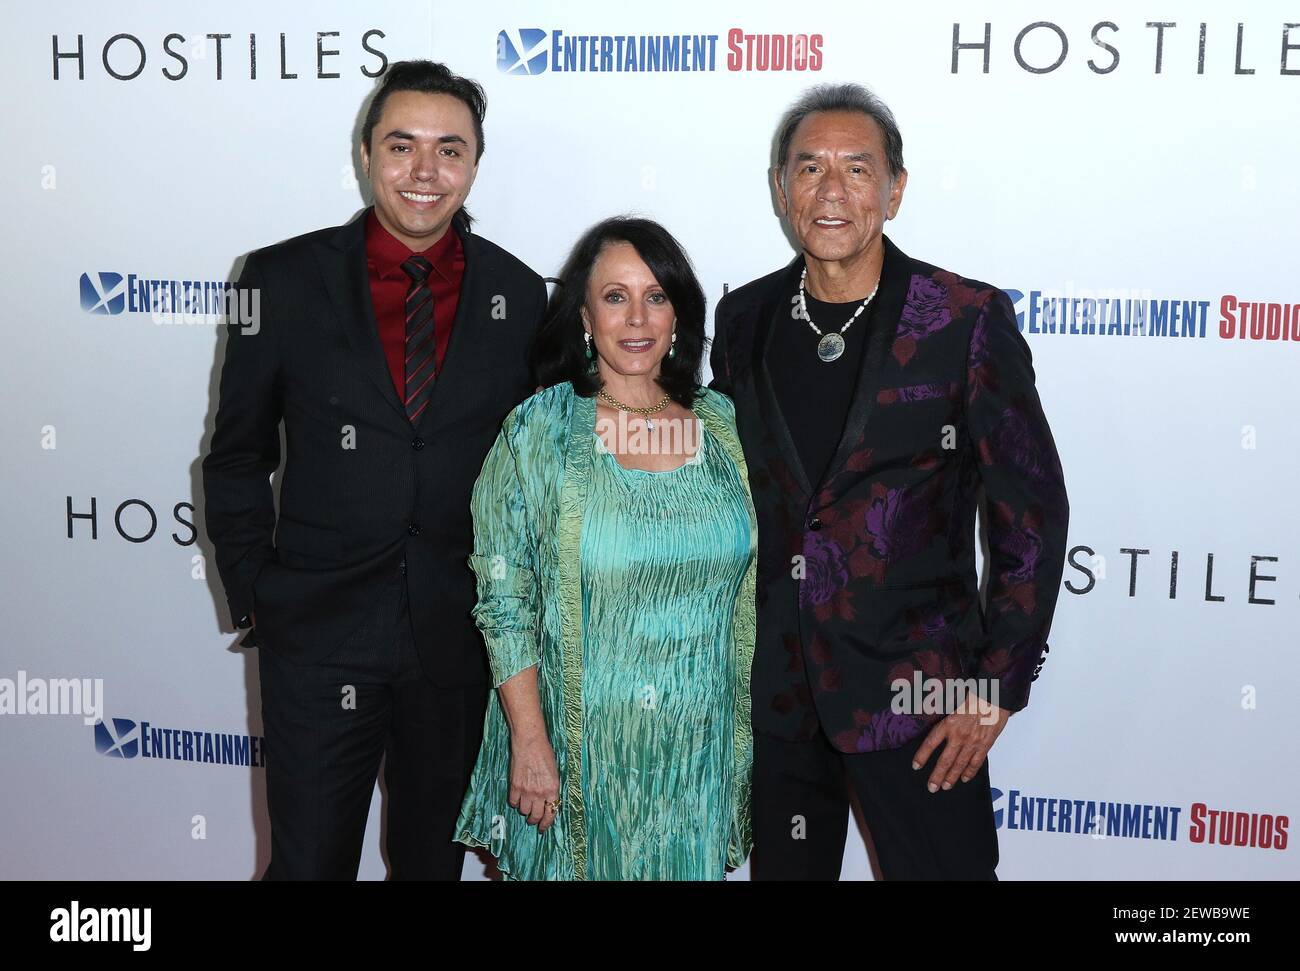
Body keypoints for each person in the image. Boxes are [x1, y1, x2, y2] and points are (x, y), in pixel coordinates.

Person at [710, 83, 1069, 880]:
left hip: (922, 702)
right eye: (809, 168)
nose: (831, 191)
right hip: (779, 696)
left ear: (895, 190)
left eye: (857, 169)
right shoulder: (745, 320)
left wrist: (998, 685)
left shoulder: (963, 319)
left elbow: (1031, 515)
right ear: (780, 188)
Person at [202, 60, 547, 880]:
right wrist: (259, 590)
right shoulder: (282, 280)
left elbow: (533, 472)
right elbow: (239, 454)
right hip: (318, 637)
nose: (425, 172)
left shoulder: (519, 292)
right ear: (365, 153)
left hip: (458, 642)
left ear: (474, 163)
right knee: (308, 863)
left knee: (431, 867)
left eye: (449, 149)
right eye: (402, 146)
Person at [454, 217, 757, 880]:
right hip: (577, 758)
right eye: (615, 297)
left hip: (694, 762)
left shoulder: (722, 423)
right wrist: (530, 743)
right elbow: (505, 599)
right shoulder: (541, 428)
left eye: (656, 295)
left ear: (680, 313)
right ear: (585, 318)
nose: (638, 317)